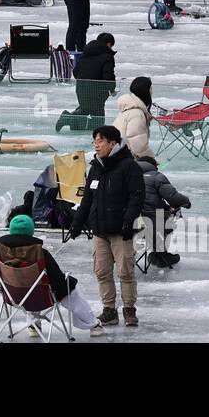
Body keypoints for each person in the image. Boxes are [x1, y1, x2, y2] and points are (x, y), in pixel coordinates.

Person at [67, 125, 145, 328]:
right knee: (102, 271)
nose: (96, 145)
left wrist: (129, 221)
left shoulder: (129, 167)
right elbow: (87, 200)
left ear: (113, 143)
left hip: (122, 230)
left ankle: (129, 309)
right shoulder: (95, 167)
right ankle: (109, 310)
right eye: (95, 141)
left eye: (100, 141)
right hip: (100, 230)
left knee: (125, 271)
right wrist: (77, 224)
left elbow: (137, 197)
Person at [0, 214, 102, 335]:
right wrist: (67, 284)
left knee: (30, 285)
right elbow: (57, 280)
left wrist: (3, 286)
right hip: (41, 297)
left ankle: (33, 325)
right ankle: (93, 325)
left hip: (13, 296)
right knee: (68, 287)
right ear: (31, 231)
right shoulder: (40, 253)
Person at [138, 147, 191, 268]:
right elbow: (173, 198)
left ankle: (157, 253)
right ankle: (160, 255)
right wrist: (186, 202)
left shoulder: (126, 175)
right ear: (152, 166)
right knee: (168, 216)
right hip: (152, 221)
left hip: (128, 222)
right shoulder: (156, 176)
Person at [58, 32, 116, 130]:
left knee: (86, 110)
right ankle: (68, 118)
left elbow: (76, 71)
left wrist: (84, 81)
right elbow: (108, 75)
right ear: (109, 44)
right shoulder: (107, 56)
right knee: (98, 119)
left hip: (81, 88)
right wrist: (112, 89)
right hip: (97, 91)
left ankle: (73, 123)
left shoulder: (86, 53)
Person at [113, 77, 155, 160]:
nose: (152, 92)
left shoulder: (128, 109)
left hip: (119, 156)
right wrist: (151, 160)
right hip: (127, 160)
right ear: (145, 91)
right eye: (150, 89)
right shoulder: (136, 114)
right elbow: (137, 144)